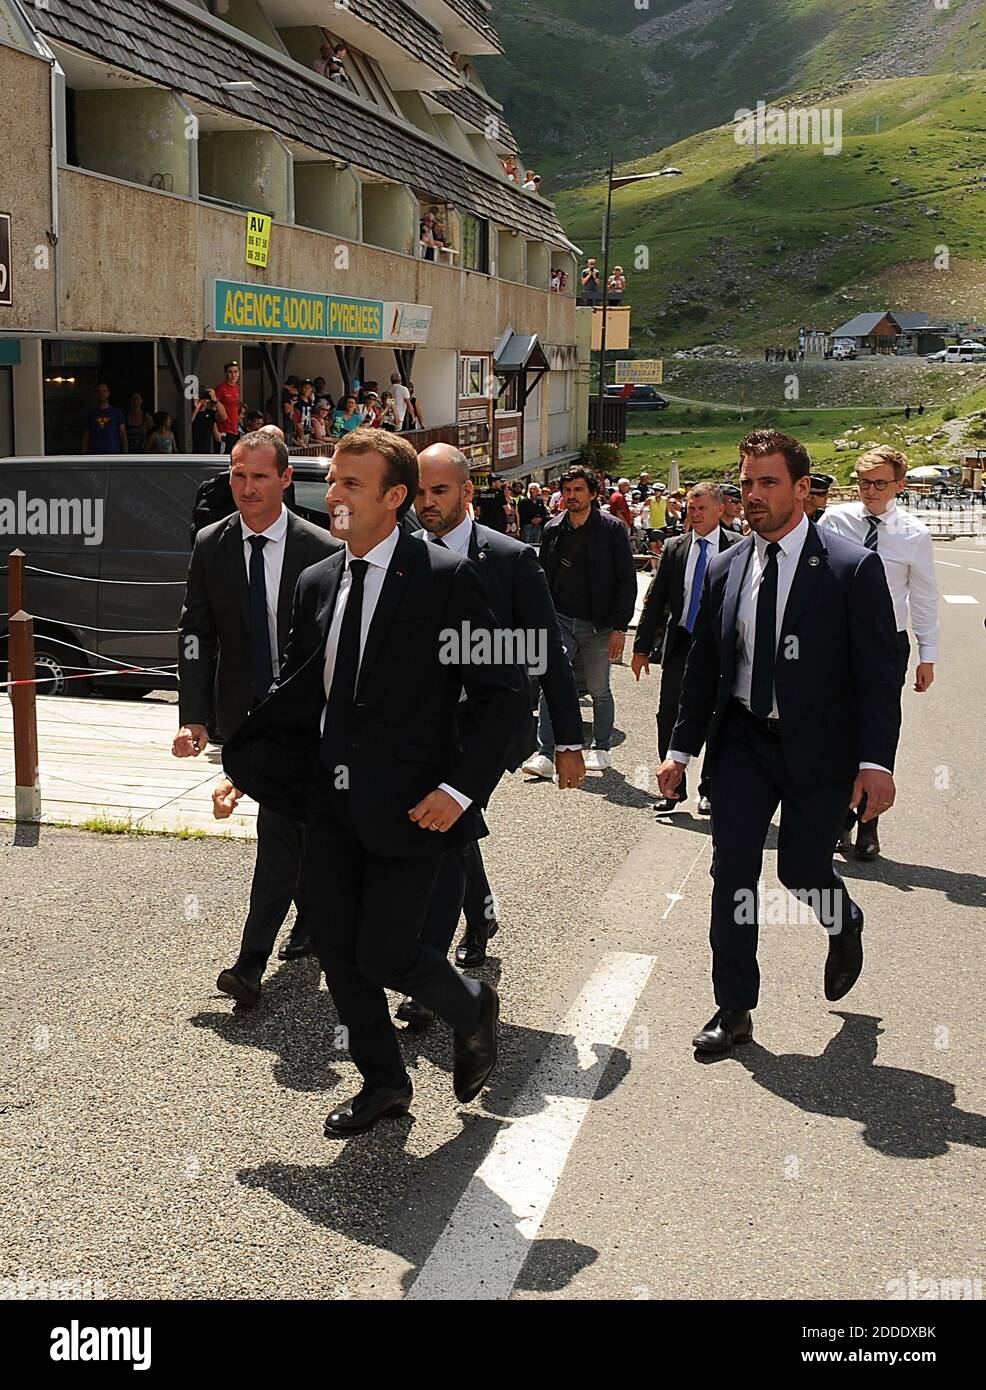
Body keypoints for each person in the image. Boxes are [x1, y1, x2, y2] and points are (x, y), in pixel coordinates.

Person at [218, 430, 524, 1135]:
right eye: (333, 483)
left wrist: (458, 790)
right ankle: (385, 1084)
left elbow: (501, 696)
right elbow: (300, 697)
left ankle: (471, 1007)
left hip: (415, 809)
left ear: (395, 498)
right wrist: (250, 766)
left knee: (387, 952)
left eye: (354, 485)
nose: (335, 497)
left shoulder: (446, 579)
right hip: (327, 804)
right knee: (336, 943)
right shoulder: (317, 582)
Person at [656, 429, 902, 1055]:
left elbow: (878, 676)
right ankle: (734, 1007)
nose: (754, 495)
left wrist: (876, 763)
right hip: (742, 742)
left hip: (821, 749)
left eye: (768, 483)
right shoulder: (725, 565)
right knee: (731, 871)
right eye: (746, 483)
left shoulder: (851, 568)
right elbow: (705, 668)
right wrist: (679, 751)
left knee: (800, 869)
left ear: (801, 489)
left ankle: (843, 921)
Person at [394, 445, 584, 1026]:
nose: (428, 503)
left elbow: (544, 647)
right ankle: (478, 915)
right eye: (420, 493)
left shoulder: (508, 557)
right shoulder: (401, 555)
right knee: (449, 831)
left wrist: (568, 741)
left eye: (440, 492)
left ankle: (427, 979)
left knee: (443, 839)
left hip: (483, 729)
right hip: (419, 731)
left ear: (467, 492)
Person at [175, 430, 341, 1005]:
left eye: (260, 477)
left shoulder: (321, 548)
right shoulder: (210, 543)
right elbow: (196, 633)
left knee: (281, 833)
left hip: (307, 718)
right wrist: (193, 716)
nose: (246, 488)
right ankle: (312, 920)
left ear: (285, 479)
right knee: (289, 829)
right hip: (246, 717)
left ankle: (250, 964)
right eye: (238, 475)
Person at [820, 444, 939, 860]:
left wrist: (928, 653)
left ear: (900, 486)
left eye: (880, 483)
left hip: (887, 641)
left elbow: (923, 597)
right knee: (835, 726)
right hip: (836, 638)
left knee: (878, 726)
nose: (870, 490)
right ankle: (838, 817)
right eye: (863, 482)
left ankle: (868, 823)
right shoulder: (834, 521)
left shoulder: (913, 534)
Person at [633, 483, 741, 815]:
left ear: (720, 510)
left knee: (716, 718)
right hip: (682, 643)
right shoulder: (675, 548)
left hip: (722, 648)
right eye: (691, 509)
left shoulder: (739, 549)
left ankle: (709, 788)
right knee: (669, 714)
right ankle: (672, 789)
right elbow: (656, 601)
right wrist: (640, 648)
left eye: (702, 509)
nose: (694, 515)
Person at [525, 464, 637, 775]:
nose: (571, 496)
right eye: (567, 490)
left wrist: (619, 627)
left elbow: (626, 580)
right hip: (560, 619)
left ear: (592, 493)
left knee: (599, 688)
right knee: (551, 684)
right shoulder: (553, 529)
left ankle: (601, 746)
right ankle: (545, 752)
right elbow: (543, 577)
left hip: (599, 624)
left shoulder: (612, 530)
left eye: (578, 490)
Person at [83, 383, 127, 454]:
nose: (101, 394)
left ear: (108, 393)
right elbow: (86, 435)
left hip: (113, 453)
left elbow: (122, 433)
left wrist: (126, 453)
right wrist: (83, 454)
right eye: (99, 391)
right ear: (96, 394)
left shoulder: (116, 412)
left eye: (104, 391)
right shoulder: (91, 414)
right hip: (95, 454)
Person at [215, 362, 242, 455]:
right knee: (223, 458)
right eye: (230, 372)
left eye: (235, 371)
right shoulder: (221, 388)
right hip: (224, 430)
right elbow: (213, 410)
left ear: (238, 373)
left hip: (234, 430)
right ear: (226, 373)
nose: (233, 375)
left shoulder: (237, 388)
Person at [191, 389, 224, 454]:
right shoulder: (190, 412)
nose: (202, 399)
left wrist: (215, 401)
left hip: (206, 451)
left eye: (204, 397)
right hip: (191, 451)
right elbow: (188, 424)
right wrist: (197, 407)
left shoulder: (210, 413)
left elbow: (223, 417)